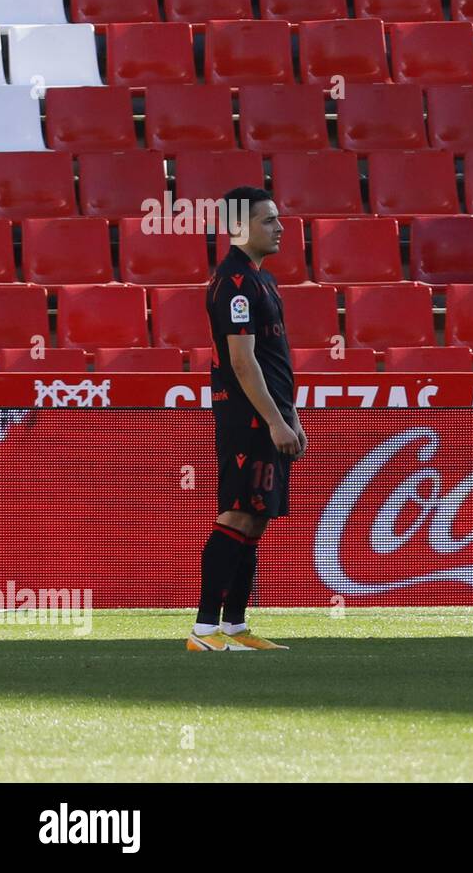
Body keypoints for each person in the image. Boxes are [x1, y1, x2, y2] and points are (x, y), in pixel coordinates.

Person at [188, 187, 304, 652]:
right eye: (269, 220)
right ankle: (202, 629)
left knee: (256, 518)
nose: (280, 227)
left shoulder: (264, 281)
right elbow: (242, 362)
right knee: (236, 513)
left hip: (272, 414)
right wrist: (275, 422)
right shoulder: (233, 282)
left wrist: (292, 416)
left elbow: (276, 359)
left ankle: (234, 626)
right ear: (240, 227)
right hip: (248, 418)